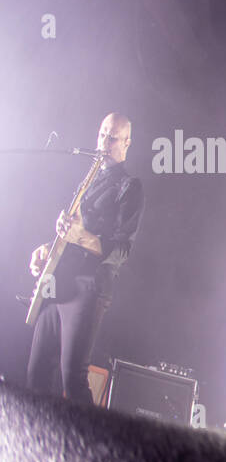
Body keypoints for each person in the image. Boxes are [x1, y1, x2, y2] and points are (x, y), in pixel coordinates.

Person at [27, 113, 145, 404]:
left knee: (73, 377)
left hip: (88, 287)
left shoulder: (130, 187)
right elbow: (70, 231)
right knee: (36, 374)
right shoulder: (88, 178)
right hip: (60, 278)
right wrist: (46, 248)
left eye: (113, 137)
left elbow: (122, 251)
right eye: (102, 134)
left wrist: (80, 236)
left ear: (127, 143)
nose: (105, 141)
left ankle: (91, 444)